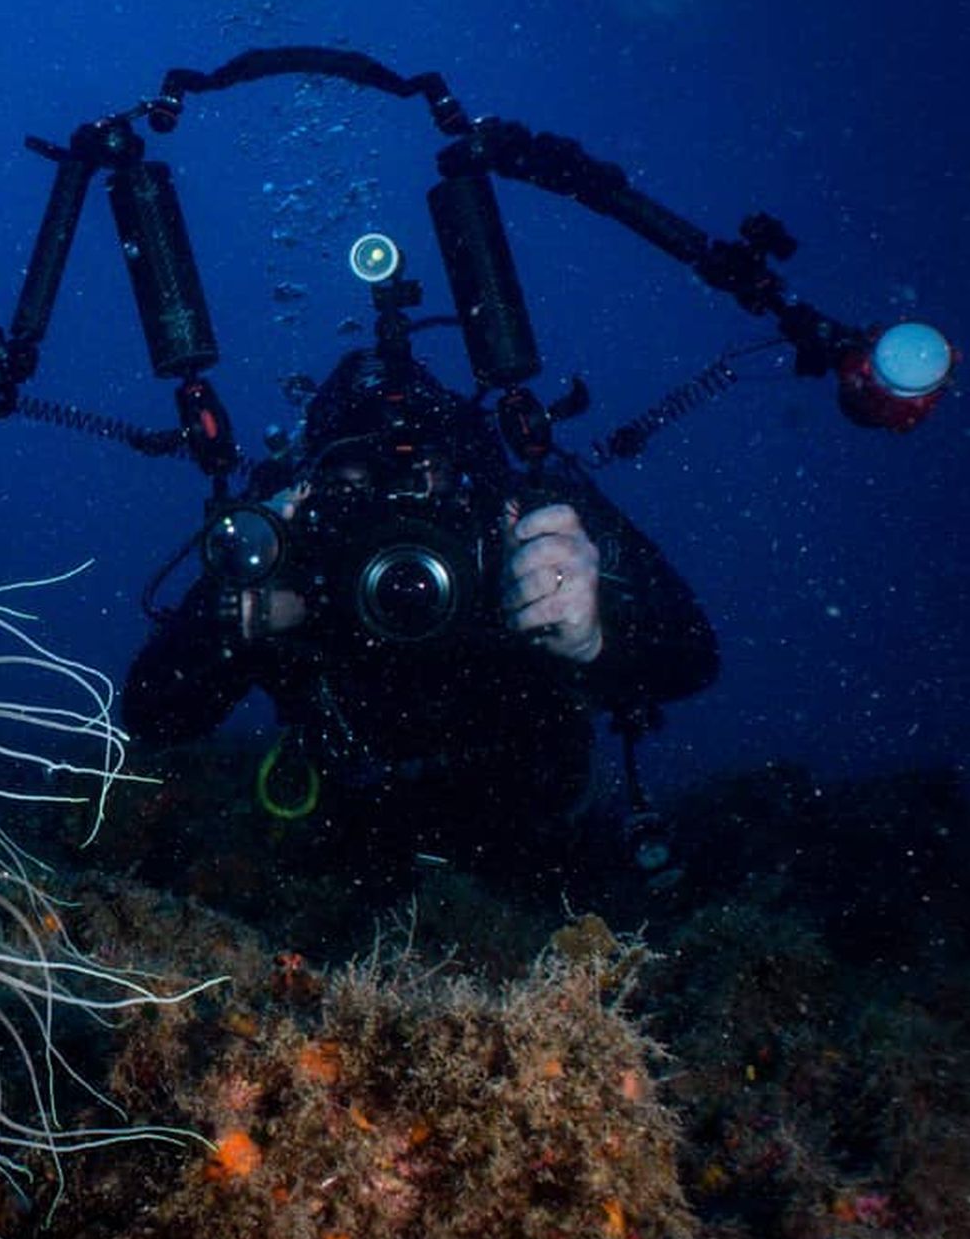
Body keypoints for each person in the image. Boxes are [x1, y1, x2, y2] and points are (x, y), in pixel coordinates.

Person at [120, 351, 719, 876]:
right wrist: (238, 611)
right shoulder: (290, 554)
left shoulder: (520, 529)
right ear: (310, 489)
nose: (393, 510)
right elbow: (154, 716)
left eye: (424, 478)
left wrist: (593, 637)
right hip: (342, 855)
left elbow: (693, 660)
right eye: (353, 487)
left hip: (541, 841)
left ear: (470, 479)